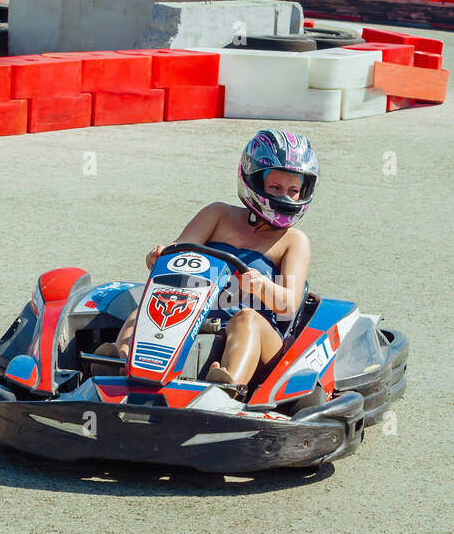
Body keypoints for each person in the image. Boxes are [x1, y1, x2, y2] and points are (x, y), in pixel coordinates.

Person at [95, 129, 317, 391]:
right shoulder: (218, 214)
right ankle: (119, 362)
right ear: (254, 181)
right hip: (193, 319)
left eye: (293, 190)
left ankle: (228, 386)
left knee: (247, 318)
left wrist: (261, 286)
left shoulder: (293, 241)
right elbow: (175, 258)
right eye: (276, 187)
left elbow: (289, 303)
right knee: (155, 301)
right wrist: (157, 257)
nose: (284, 197)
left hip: (258, 337)